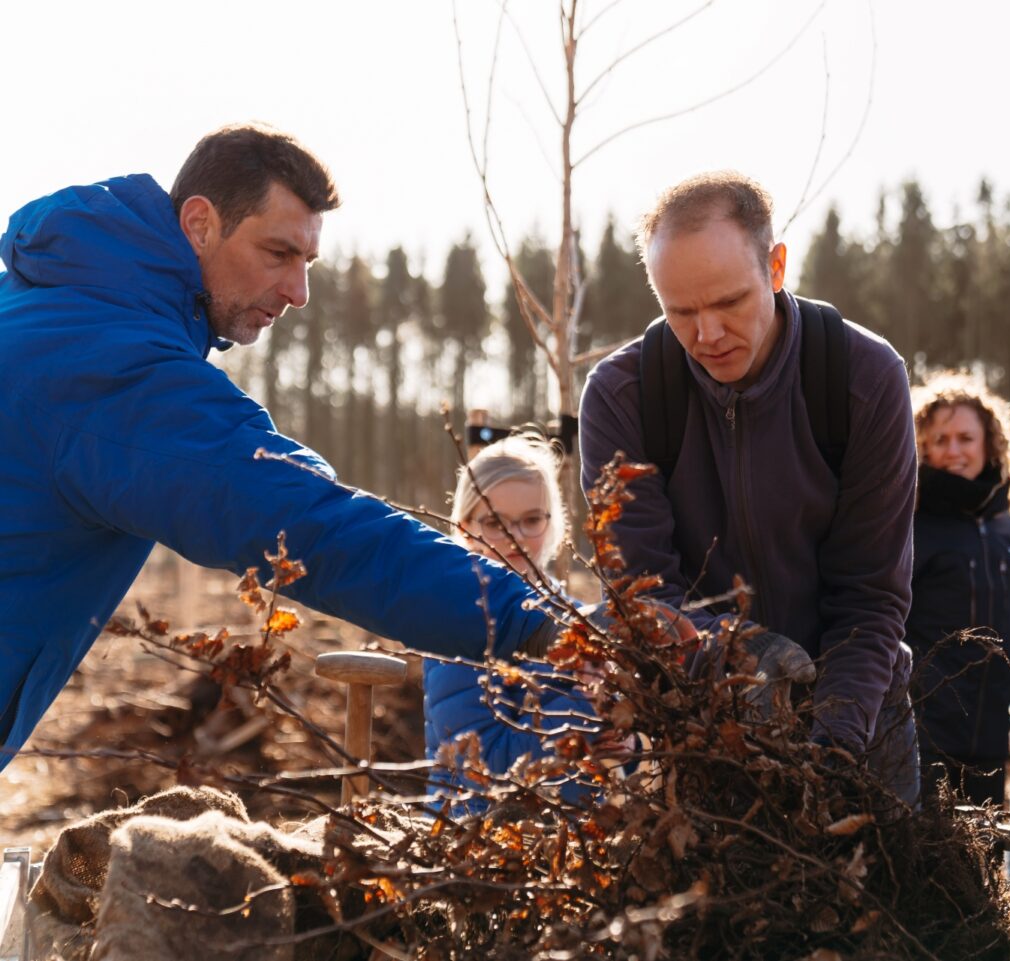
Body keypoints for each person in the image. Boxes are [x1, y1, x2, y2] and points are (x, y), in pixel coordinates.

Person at [0, 124, 573, 770]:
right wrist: (529, 620)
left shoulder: (46, 305)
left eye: (308, 263)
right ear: (199, 224)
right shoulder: (109, 368)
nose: (299, 293)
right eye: (277, 253)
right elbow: (303, 525)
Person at [578, 171, 920, 804]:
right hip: (704, 721)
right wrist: (735, 661)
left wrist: (834, 754)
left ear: (776, 267)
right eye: (681, 312)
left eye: (729, 302)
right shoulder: (624, 397)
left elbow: (871, 596)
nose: (707, 334)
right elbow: (642, 597)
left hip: (862, 708)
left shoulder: (864, 379)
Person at [425, 434, 608, 810]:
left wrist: (626, 741)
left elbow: (618, 756)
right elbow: (481, 767)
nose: (516, 537)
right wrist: (593, 708)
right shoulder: (456, 622)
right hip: (474, 827)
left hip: (576, 830)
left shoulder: (578, 619)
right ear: (465, 526)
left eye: (531, 520)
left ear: (552, 522)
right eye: (495, 522)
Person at [905, 372, 1010, 806]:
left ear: (990, 444)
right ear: (921, 447)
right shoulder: (906, 526)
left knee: (982, 849)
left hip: (988, 748)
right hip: (918, 743)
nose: (953, 450)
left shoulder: (1009, 537)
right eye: (940, 440)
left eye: (966, 438)